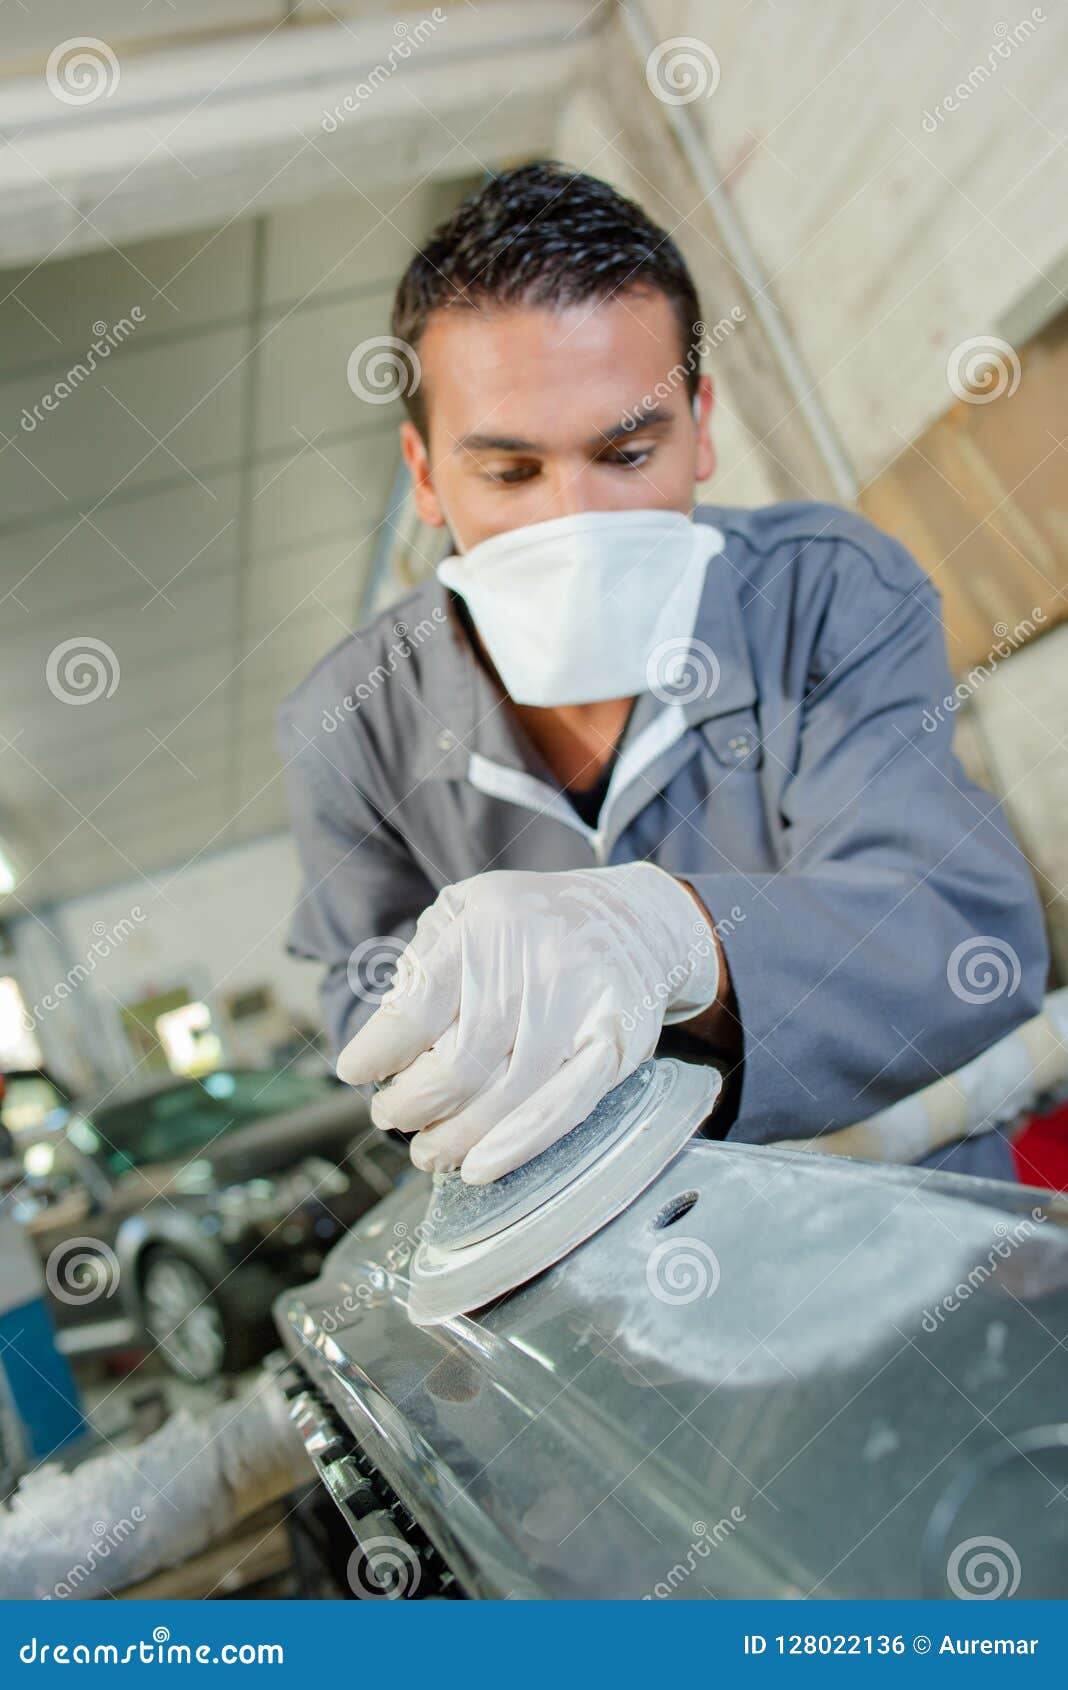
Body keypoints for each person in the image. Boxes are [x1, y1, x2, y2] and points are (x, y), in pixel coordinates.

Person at [279, 162, 1048, 1187]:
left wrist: (680, 940)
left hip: (910, 1237)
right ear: (424, 475)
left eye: (629, 452)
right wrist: (447, 1019)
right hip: (602, 1279)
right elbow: (363, 997)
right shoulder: (350, 724)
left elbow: (955, 937)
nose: (576, 523)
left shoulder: (827, 595)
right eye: (510, 472)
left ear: (701, 427)